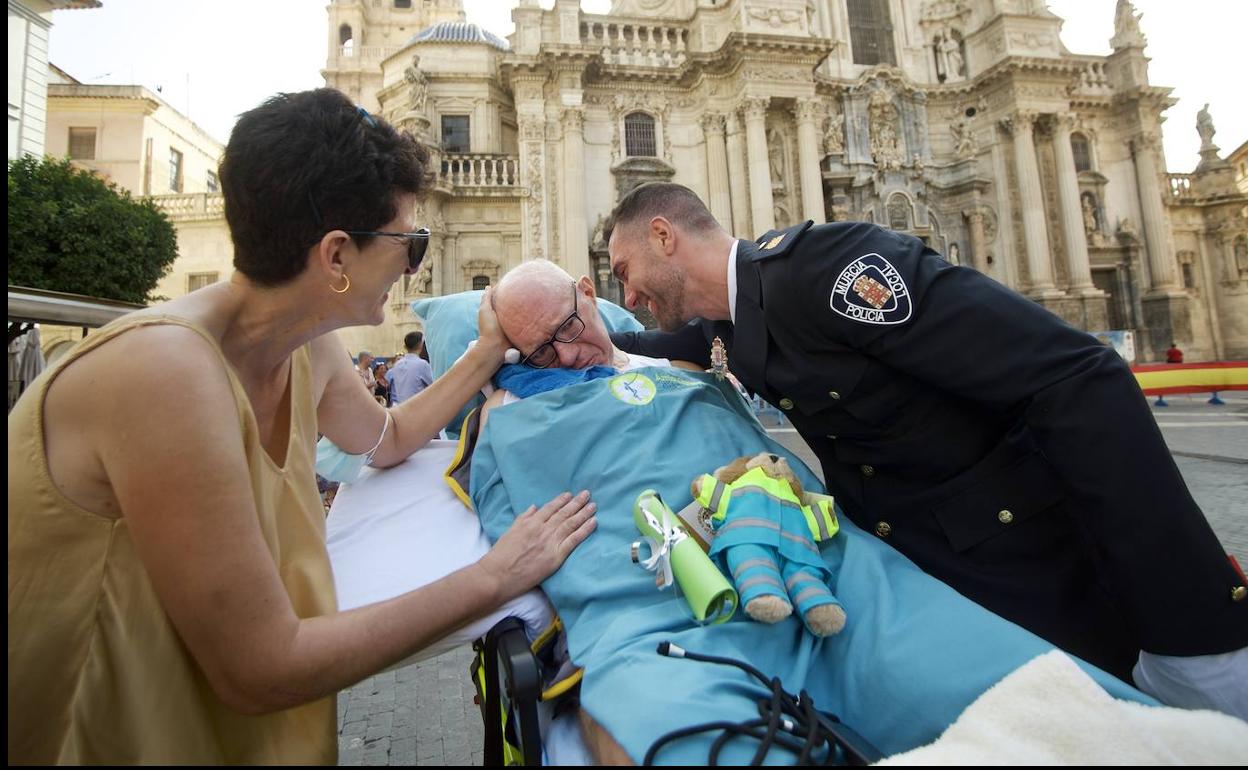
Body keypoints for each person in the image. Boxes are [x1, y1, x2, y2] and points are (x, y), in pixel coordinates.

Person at [6, 88, 597, 765]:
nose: (417, 265)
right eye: (411, 243)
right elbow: (261, 668)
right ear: (336, 255)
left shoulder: (302, 346)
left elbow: (386, 439)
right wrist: (496, 577)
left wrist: (487, 349)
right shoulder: (163, 372)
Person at [604, 182, 1247, 716]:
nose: (627, 298)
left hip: (1033, 574)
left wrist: (1189, 624)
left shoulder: (834, 270)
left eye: (625, 274)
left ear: (664, 235)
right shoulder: (730, 323)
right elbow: (643, 348)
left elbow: (1077, 378)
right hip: (932, 588)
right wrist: (576, 330)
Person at [388, 330, 435, 404]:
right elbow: (434, 385)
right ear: (420, 344)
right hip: (418, 405)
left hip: (401, 405)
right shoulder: (422, 364)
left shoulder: (397, 365)